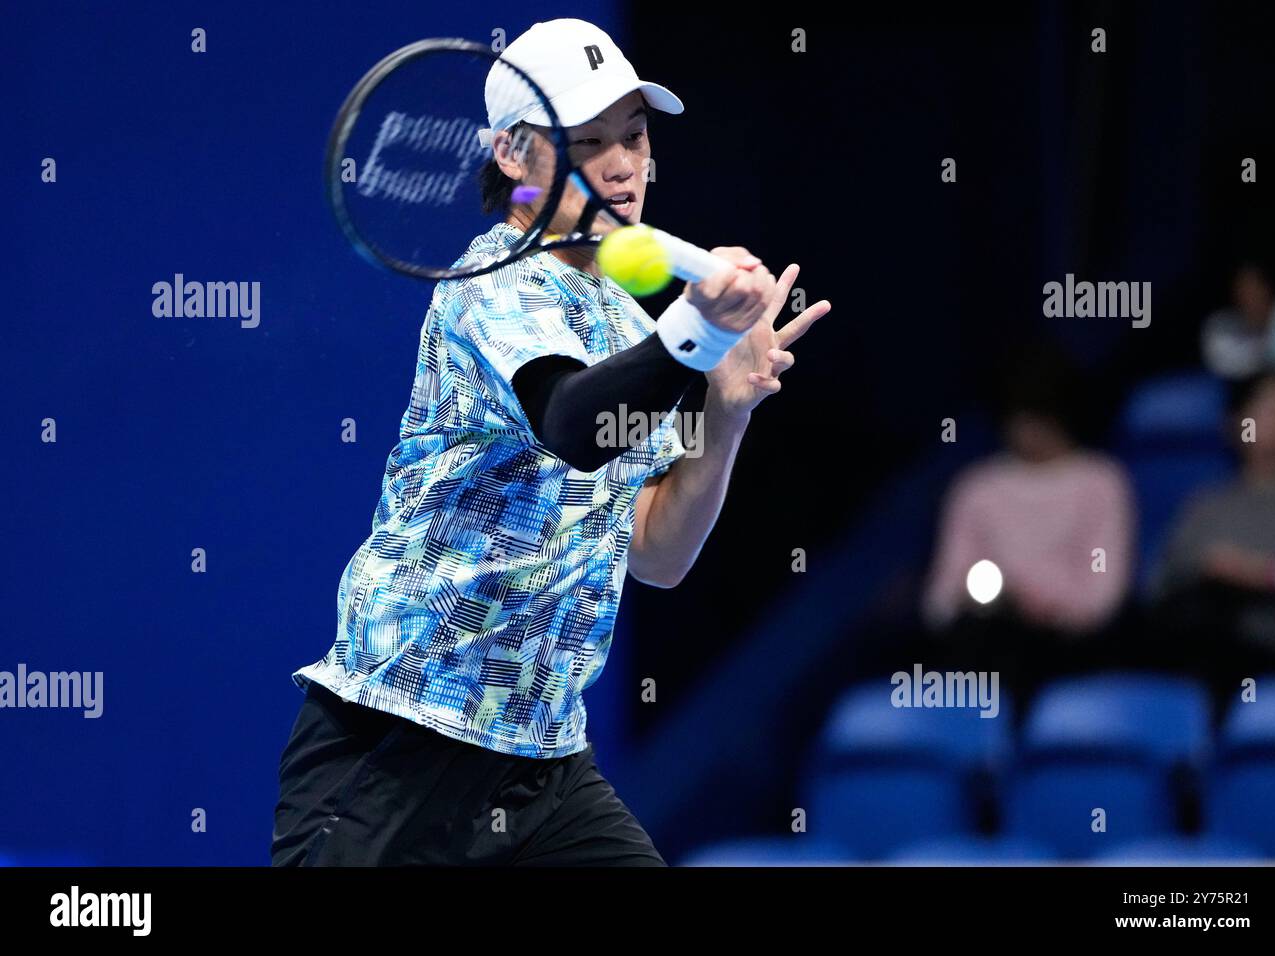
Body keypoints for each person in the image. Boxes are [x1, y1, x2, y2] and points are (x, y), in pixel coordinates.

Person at [271, 18, 830, 866]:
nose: (620, 163)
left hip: (544, 767)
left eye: (633, 137)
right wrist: (697, 333)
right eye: (587, 141)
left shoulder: (625, 318)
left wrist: (728, 410)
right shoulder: (492, 282)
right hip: (400, 746)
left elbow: (657, 551)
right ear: (512, 157)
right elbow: (575, 426)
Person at [920, 343, 1137, 709]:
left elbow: (1102, 599)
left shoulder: (1101, 483)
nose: (1027, 430)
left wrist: (1037, 603)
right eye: (1018, 416)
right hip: (985, 639)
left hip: (1067, 648)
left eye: (1039, 415)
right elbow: (940, 601)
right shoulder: (976, 489)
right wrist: (987, 600)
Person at [1149, 368, 1275, 698]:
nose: (1271, 421)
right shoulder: (1207, 505)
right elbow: (1160, 583)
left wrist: (1269, 574)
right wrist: (1211, 568)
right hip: (1200, 641)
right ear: (1235, 423)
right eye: (1259, 408)